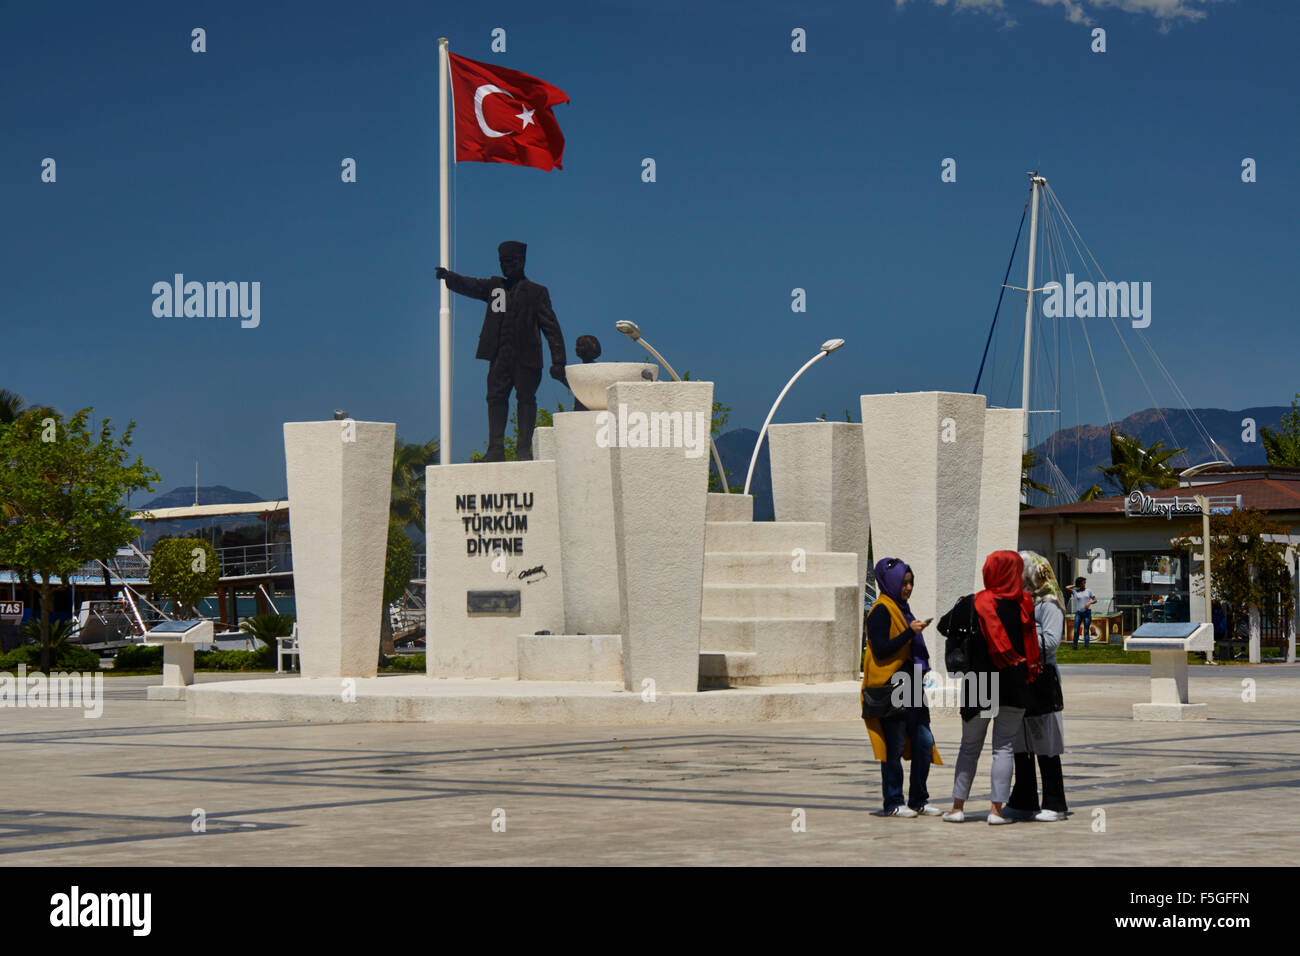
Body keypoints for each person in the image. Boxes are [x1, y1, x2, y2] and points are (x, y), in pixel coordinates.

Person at [436, 241, 567, 462]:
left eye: (511, 261)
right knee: (495, 398)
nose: (507, 266)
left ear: (522, 262)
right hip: (499, 356)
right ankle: (496, 448)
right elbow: (471, 285)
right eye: (503, 262)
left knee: (526, 399)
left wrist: (559, 360)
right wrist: (450, 277)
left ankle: (523, 450)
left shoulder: (537, 292)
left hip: (527, 358)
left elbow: (551, 327)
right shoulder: (495, 288)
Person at [939, 550, 1042, 825]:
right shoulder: (1024, 603)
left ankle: (957, 808)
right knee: (1004, 748)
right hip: (1014, 681)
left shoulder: (974, 603)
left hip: (980, 683)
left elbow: (942, 626)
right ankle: (996, 811)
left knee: (969, 747)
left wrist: (960, 604)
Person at [861, 557, 943, 818]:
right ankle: (894, 802)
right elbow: (882, 650)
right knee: (894, 747)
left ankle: (919, 799)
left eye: (910, 583)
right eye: (904, 583)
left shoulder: (902, 608)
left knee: (923, 741)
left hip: (910, 684)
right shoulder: (881, 610)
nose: (908, 588)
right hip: (891, 687)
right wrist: (910, 633)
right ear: (891, 582)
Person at [1006, 551, 1069, 822]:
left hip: (1043, 676)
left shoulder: (1048, 602)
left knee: (1045, 739)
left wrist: (1020, 639)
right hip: (1022, 675)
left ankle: (1054, 802)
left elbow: (1053, 640)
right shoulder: (1022, 600)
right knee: (1021, 738)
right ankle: (1024, 797)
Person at [1065, 576, 1097, 649]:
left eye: (1085, 583)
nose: (1084, 584)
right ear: (1079, 584)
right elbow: (1067, 587)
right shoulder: (1075, 591)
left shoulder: (1089, 591)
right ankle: (1074, 646)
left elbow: (1095, 600)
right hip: (1078, 613)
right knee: (1076, 630)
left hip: (1087, 613)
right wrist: (1075, 585)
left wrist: (1090, 602)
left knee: (1086, 630)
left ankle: (1086, 647)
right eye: (1083, 583)